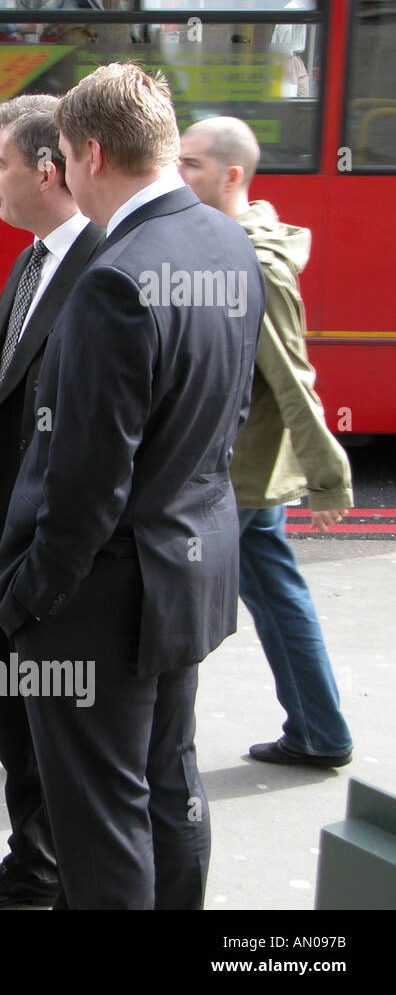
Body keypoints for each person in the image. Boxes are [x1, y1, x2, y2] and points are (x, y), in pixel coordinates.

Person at [0, 64, 265, 908]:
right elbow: (230, 412)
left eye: (67, 157)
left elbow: (85, 481)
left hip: (102, 600)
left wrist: (31, 596)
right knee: (170, 786)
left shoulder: (113, 278)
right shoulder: (227, 240)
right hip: (188, 573)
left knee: (103, 820)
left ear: (93, 155)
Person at [0, 95, 103, 909]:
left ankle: (57, 869)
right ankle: (33, 860)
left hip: (45, 548)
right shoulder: (33, 259)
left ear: (46, 169)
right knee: (13, 714)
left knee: (52, 720)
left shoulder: (101, 267)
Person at [179, 115, 354, 768]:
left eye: (192, 164)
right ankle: (319, 730)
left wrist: (327, 478)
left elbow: (291, 376)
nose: (177, 175)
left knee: (169, 596)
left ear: (232, 175)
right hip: (236, 467)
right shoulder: (227, 243)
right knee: (275, 593)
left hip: (236, 473)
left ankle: (126, 738)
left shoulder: (253, 261)